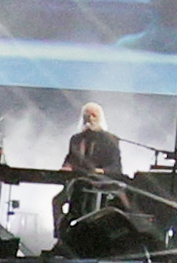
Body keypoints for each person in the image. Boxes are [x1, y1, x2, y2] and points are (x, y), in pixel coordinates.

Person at [53, 102, 124, 239]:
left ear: (100, 118)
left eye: (93, 115)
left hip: (99, 186)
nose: (90, 119)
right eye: (86, 116)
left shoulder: (110, 139)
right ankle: (60, 236)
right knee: (57, 201)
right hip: (75, 185)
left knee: (84, 208)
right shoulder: (76, 139)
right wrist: (66, 167)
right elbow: (70, 160)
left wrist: (102, 171)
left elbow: (116, 167)